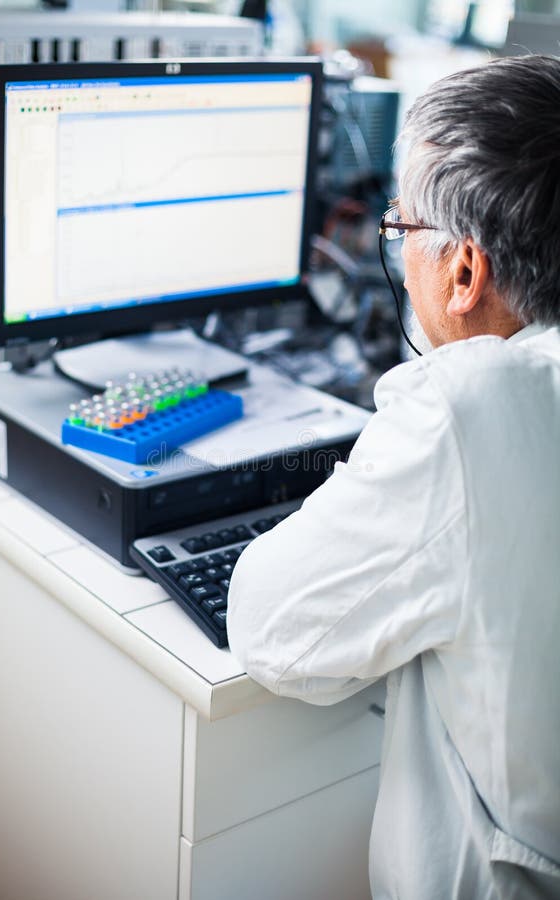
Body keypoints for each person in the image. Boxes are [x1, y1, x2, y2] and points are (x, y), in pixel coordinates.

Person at [227, 55, 560, 899]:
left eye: (400, 229)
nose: (394, 250)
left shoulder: (469, 405)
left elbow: (270, 627)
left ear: (462, 274)